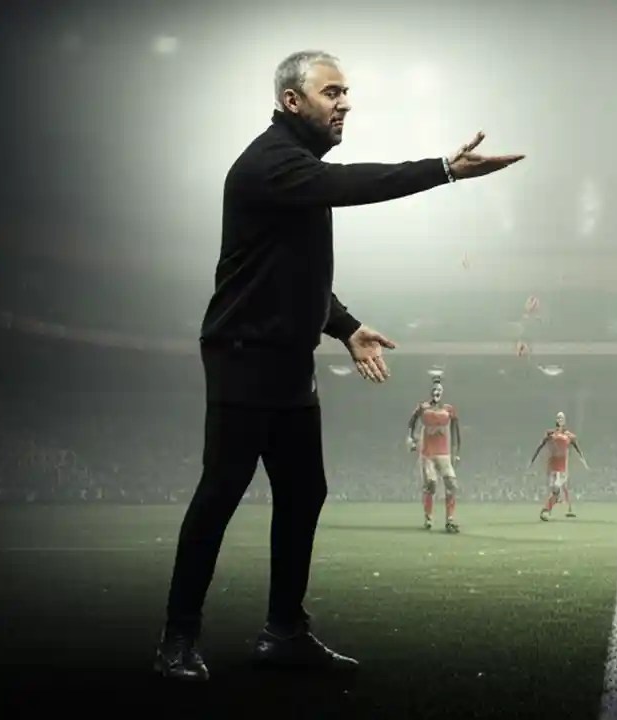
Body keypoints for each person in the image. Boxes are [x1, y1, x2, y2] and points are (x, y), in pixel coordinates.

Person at [154, 50, 523, 681]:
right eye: (331, 93)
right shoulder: (271, 164)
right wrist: (443, 170)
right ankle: (177, 641)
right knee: (220, 493)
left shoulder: (296, 170)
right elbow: (352, 185)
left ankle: (284, 632)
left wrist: (346, 327)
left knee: (305, 491)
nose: (345, 103)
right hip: (244, 356)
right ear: (292, 101)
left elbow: (290, 274)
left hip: (288, 361)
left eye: (346, 91)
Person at [407, 376, 463, 532]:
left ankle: (450, 520)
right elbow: (412, 422)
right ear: (431, 391)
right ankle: (429, 518)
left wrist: (456, 452)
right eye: (434, 389)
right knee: (431, 484)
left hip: (444, 454)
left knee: (451, 484)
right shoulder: (423, 407)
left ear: (442, 392)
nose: (436, 392)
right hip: (428, 453)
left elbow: (456, 431)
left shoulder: (449, 409)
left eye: (439, 390)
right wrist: (410, 438)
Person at [528, 411, 589, 521]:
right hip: (551, 467)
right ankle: (554, 504)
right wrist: (532, 460)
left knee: (557, 489)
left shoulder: (569, 435)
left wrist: (583, 461)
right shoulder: (550, 434)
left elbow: (577, 449)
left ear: (564, 421)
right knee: (554, 490)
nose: (560, 419)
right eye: (558, 418)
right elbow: (540, 446)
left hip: (562, 469)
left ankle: (546, 510)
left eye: (561, 418)